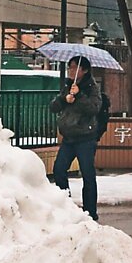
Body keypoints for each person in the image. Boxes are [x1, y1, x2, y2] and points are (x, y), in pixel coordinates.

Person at [50, 56, 102, 221]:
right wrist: (64, 99)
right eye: (69, 67)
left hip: (85, 138)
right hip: (68, 138)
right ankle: (66, 206)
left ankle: (90, 212)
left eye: (74, 68)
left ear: (84, 70)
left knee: (87, 174)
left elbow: (94, 108)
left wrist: (79, 96)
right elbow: (53, 107)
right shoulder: (68, 86)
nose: (71, 71)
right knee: (59, 170)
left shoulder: (91, 87)